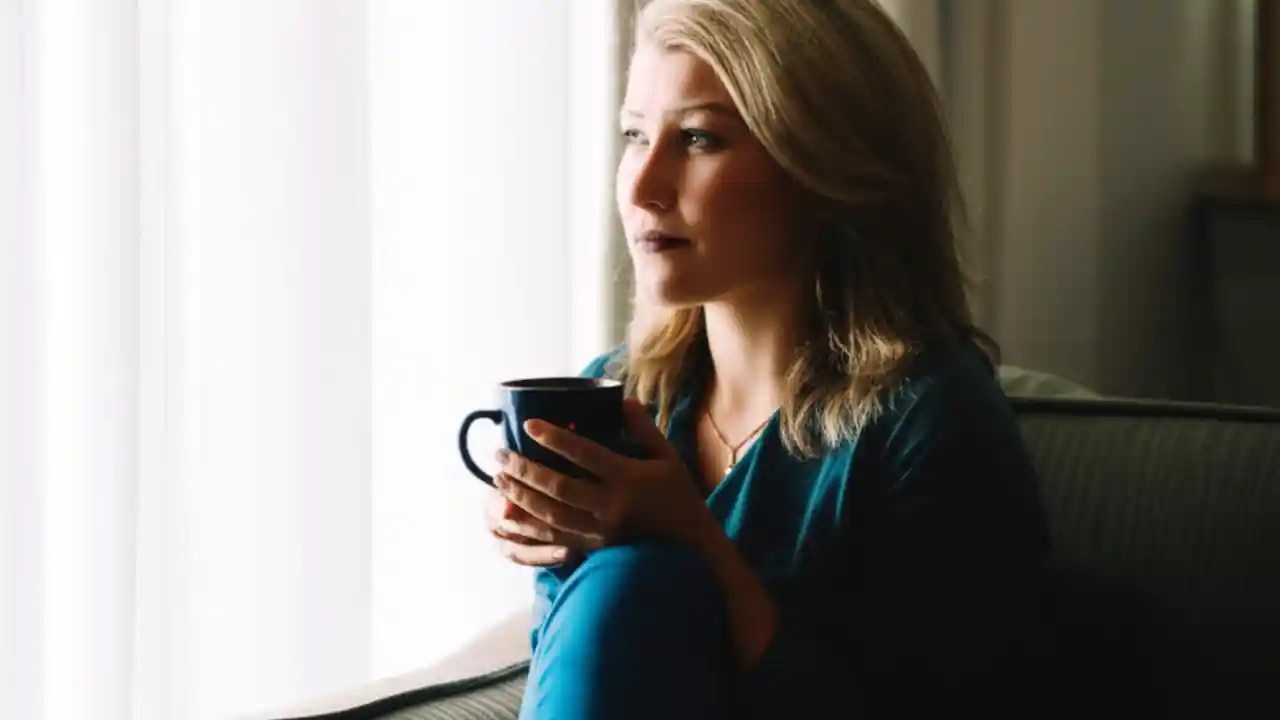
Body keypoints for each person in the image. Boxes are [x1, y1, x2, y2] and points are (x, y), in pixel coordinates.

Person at [482, 0, 1051, 717]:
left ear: (818, 164)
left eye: (697, 139)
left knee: (643, 578)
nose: (642, 185)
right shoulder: (626, 396)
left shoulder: (933, 421)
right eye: (634, 135)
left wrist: (692, 537)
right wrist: (553, 546)